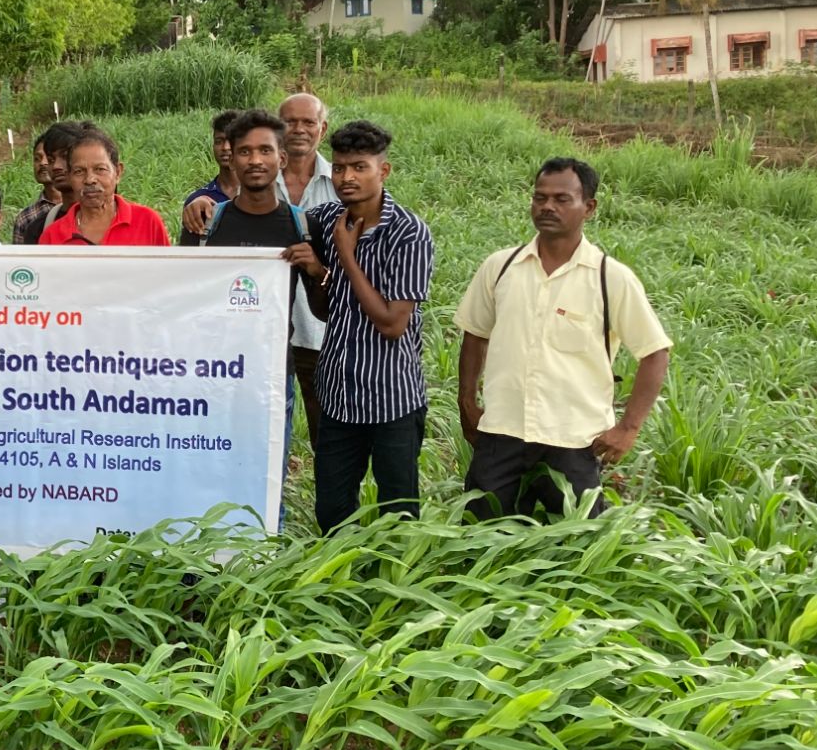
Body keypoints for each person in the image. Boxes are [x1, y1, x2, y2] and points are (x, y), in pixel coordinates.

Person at [454, 158, 671, 521]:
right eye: (540, 198)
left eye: (561, 199)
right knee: (480, 534)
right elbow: (475, 334)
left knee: (576, 543)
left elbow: (655, 352)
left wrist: (628, 428)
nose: (547, 207)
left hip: (574, 440)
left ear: (589, 207)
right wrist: (467, 402)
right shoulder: (500, 267)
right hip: (501, 431)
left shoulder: (610, 277)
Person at [178, 111, 328, 528]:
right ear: (231, 157)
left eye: (265, 150)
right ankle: (203, 556)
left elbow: (322, 310)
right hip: (211, 375)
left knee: (266, 476)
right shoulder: (207, 222)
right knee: (205, 471)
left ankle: (262, 559)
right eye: (244, 151)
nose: (254, 159)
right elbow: (180, 297)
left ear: (282, 157)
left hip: (271, 378)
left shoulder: (303, 225)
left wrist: (317, 270)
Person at [302, 122, 435, 533]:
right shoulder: (324, 220)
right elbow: (327, 309)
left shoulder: (408, 233)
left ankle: (393, 589)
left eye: (360, 167)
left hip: (391, 397)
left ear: (384, 170)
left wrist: (345, 256)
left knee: (398, 512)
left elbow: (394, 323)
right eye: (340, 168)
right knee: (332, 510)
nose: (347, 178)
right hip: (339, 393)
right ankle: (342, 585)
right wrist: (318, 272)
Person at [39, 127, 171, 246]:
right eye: (79, 171)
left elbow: (167, 271)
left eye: (100, 169)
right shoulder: (52, 236)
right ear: (69, 176)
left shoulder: (147, 222)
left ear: (118, 172)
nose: (90, 180)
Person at [13, 121, 83, 245]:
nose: (55, 165)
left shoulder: (112, 216)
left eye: (64, 156)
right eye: (52, 159)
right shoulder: (33, 224)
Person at [185, 110, 243, 212]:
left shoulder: (260, 194)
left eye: (231, 140)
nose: (225, 147)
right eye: (219, 141)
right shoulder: (197, 201)